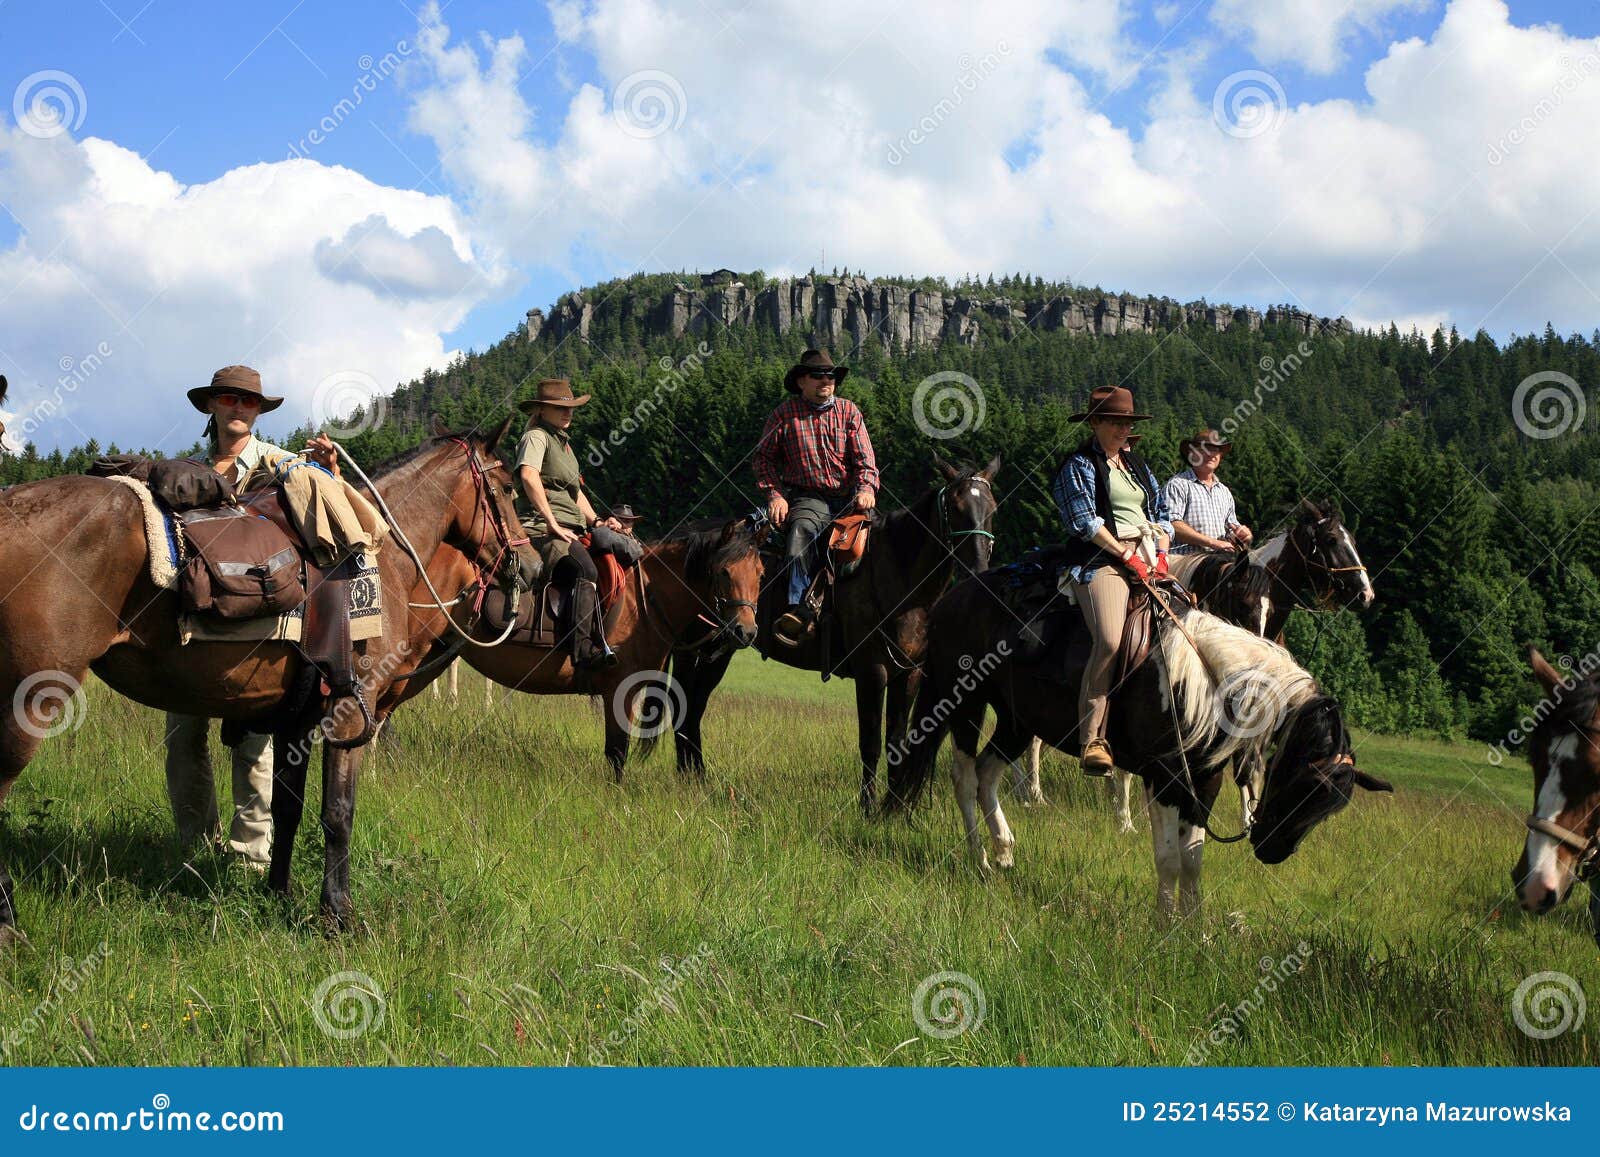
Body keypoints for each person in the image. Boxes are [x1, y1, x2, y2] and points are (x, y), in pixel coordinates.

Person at [165, 365, 342, 869]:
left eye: (248, 401)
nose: (239, 408)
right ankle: (195, 848)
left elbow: (325, 518)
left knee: (254, 741)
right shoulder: (188, 471)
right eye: (228, 399)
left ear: (259, 410)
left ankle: (250, 858)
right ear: (211, 407)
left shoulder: (284, 465)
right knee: (184, 739)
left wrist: (330, 471)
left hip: (263, 622)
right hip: (194, 620)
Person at [1052, 386, 1174, 776]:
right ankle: (1092, 739)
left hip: (1147, 555)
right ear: (1096, 423)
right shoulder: (1079, 465)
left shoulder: (1137, 466)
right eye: (1117, 422)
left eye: (1128, 423)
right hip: (1101, 560)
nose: (1124, 430)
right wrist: (1126, 556)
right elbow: (1085, 523)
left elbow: (1163, 513)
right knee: (1109, 637)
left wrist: (1161, 555)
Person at [753, 350, 879, 647]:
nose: (826, 380)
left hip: (851, 498)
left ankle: (877, 613)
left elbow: (865, 460)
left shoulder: (849, 411)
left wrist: (867, 488)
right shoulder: (784, 414)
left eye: (831, 376)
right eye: (818, 375)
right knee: (801, 534)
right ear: (801, 381)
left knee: (880, 544)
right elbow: (763, 459)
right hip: (809, 497)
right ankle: (797, 610)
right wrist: (775, 496)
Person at [514, 378, 624, 669]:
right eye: (559, 408)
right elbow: (528, 476)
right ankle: (583, 651)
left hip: (569, 528)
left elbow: (575, 494)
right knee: (585, 570)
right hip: (539, 528)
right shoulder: (536, 437)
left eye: (571, 408)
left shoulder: (565, 446)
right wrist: (551, 523)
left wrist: (599, 521)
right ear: (541, 410)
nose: (568, 413)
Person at [1162, 427, 1253, 588]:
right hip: (1184, 569)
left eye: (1216, 450)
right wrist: (1213, 543)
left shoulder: (1224, 491)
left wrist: (1242, 534)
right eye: (1206, 449)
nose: (1211, 454)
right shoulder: (1178, 484)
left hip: (1216, 570)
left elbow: (1231, 527)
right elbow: (1172, 525)